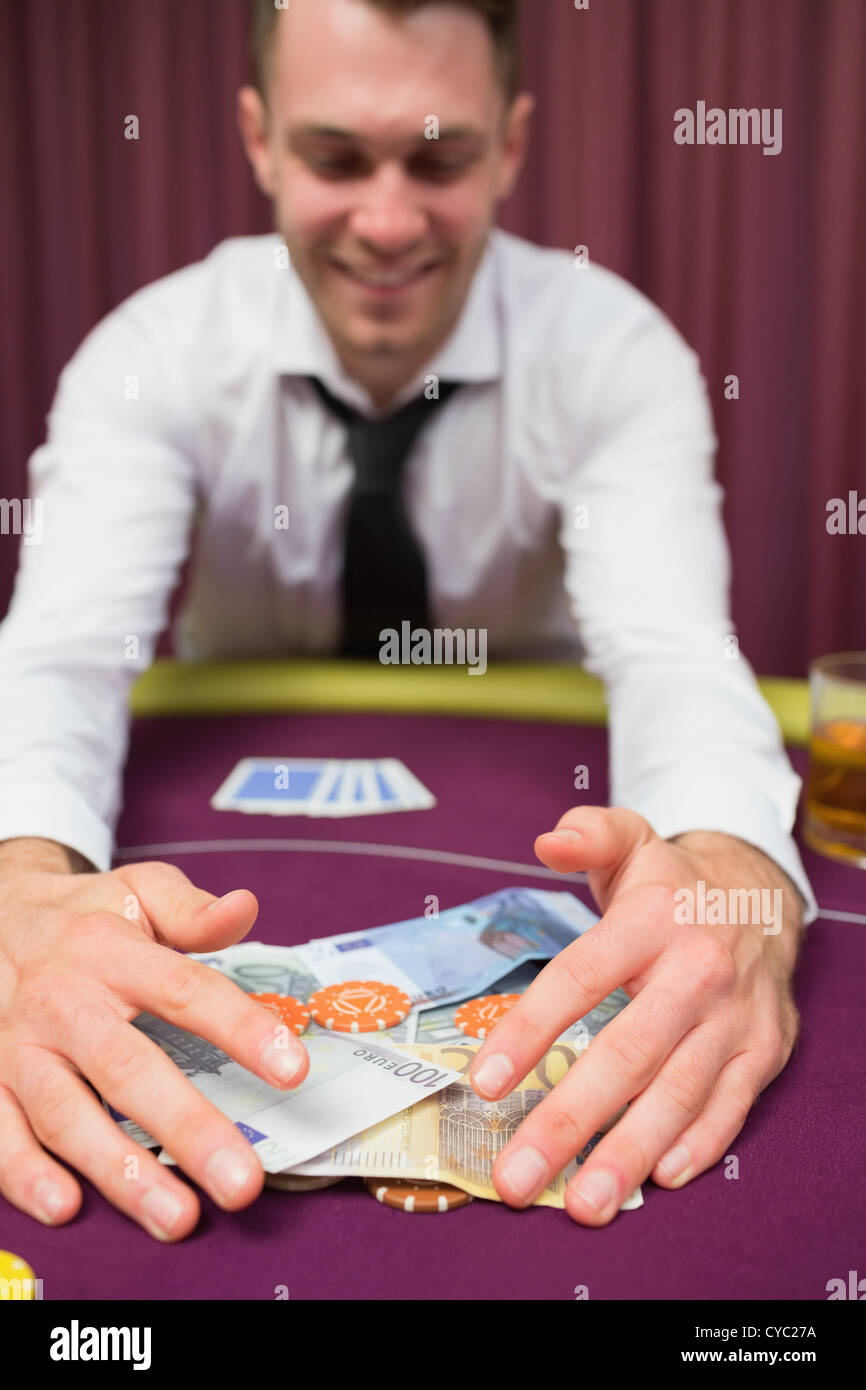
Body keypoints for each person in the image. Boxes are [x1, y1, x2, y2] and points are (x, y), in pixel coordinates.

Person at [0, 0, 815, 1241]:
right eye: (336, 158)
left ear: (510, 147)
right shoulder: (154, 349)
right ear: (259, 140)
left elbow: (670, 655)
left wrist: (729, 868)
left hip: (534, 779)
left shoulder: (611, 349)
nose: (387, 221)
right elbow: (59, 652)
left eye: (438, 158)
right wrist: (13, 881)